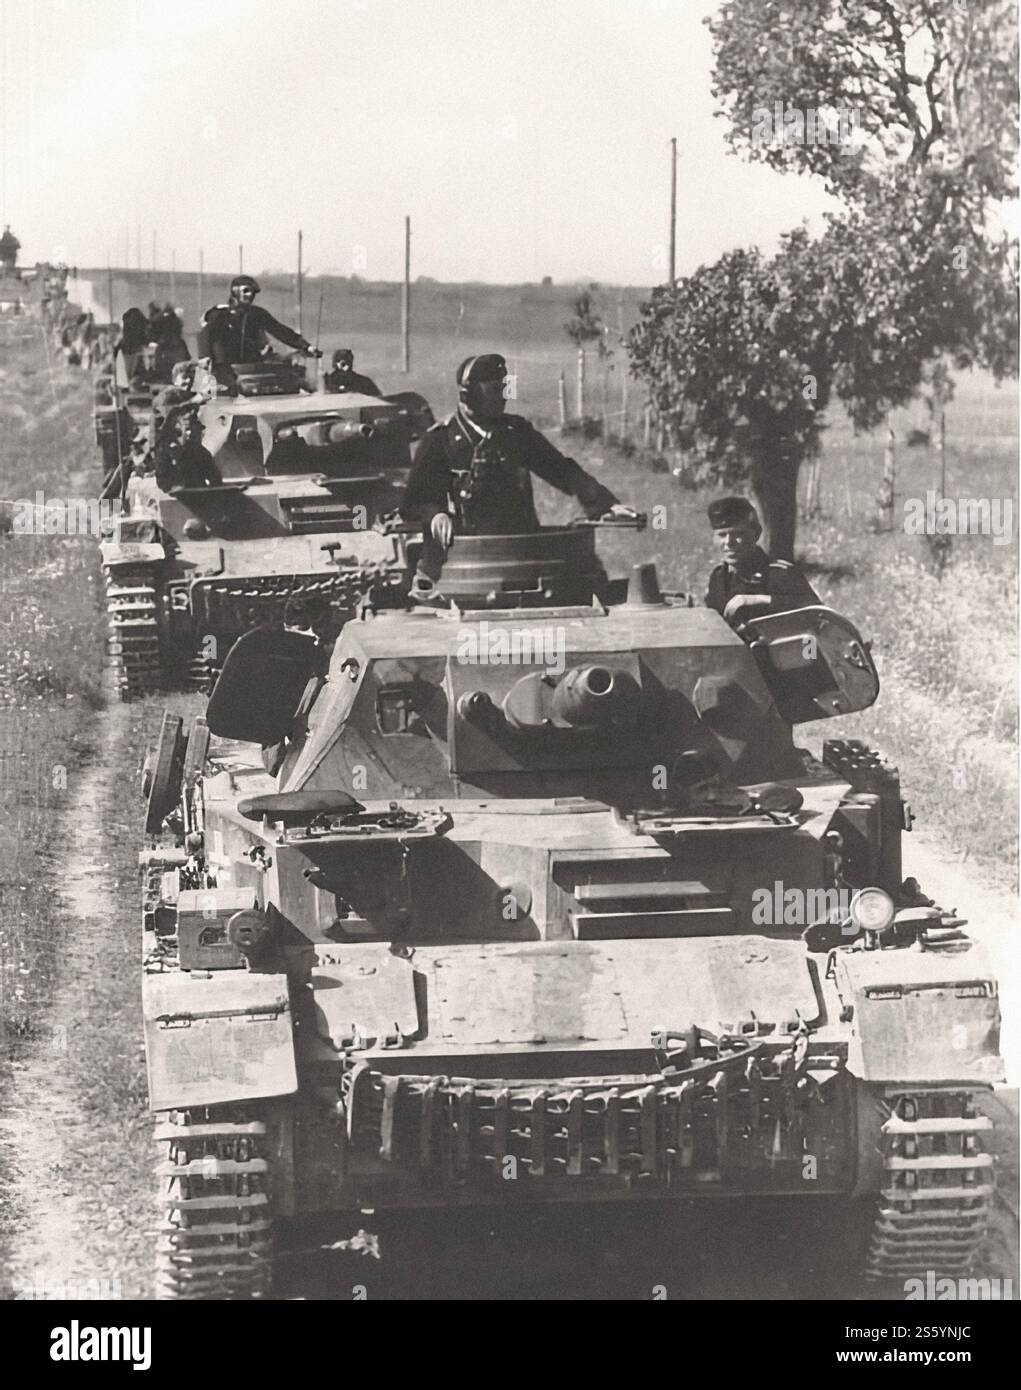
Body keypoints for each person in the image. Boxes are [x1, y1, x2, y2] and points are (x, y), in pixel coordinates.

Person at [402, 353, 631, 595]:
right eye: (495, 390)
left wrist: (606, 504)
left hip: (523, 557)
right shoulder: (441, 440)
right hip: (468, 562)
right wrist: (435, 515)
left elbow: (562, 470)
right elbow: (413, 502)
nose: (504, 398)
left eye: (505, 388)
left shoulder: (516, 432)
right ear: (468, 396)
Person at [704, 496, 819, 627]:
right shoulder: (719, 577)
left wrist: (759, 600)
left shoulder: (779, 574)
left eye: (738, 534)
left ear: (756, 534)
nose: (729, 542)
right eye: (722, 535)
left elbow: (819, 614)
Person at [200, 274, 320, 384]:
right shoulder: (220, 313)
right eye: (245, 291)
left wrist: (306, 346)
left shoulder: (257, 314)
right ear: (235, 291)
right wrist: (205, 357)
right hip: (224, 370)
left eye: (253, 292)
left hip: (251, 369)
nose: (250, 295)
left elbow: (279, 330)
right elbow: (205, 334)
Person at [154, 405, 221, 492]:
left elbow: (215, 477)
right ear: (175, 425)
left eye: (190, 423)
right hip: (177, 497)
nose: (189, 428)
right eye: (185, 422)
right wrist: (173, 487)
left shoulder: (198, 450)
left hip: (198, 496)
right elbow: (161, 478)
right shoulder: (166, 450)